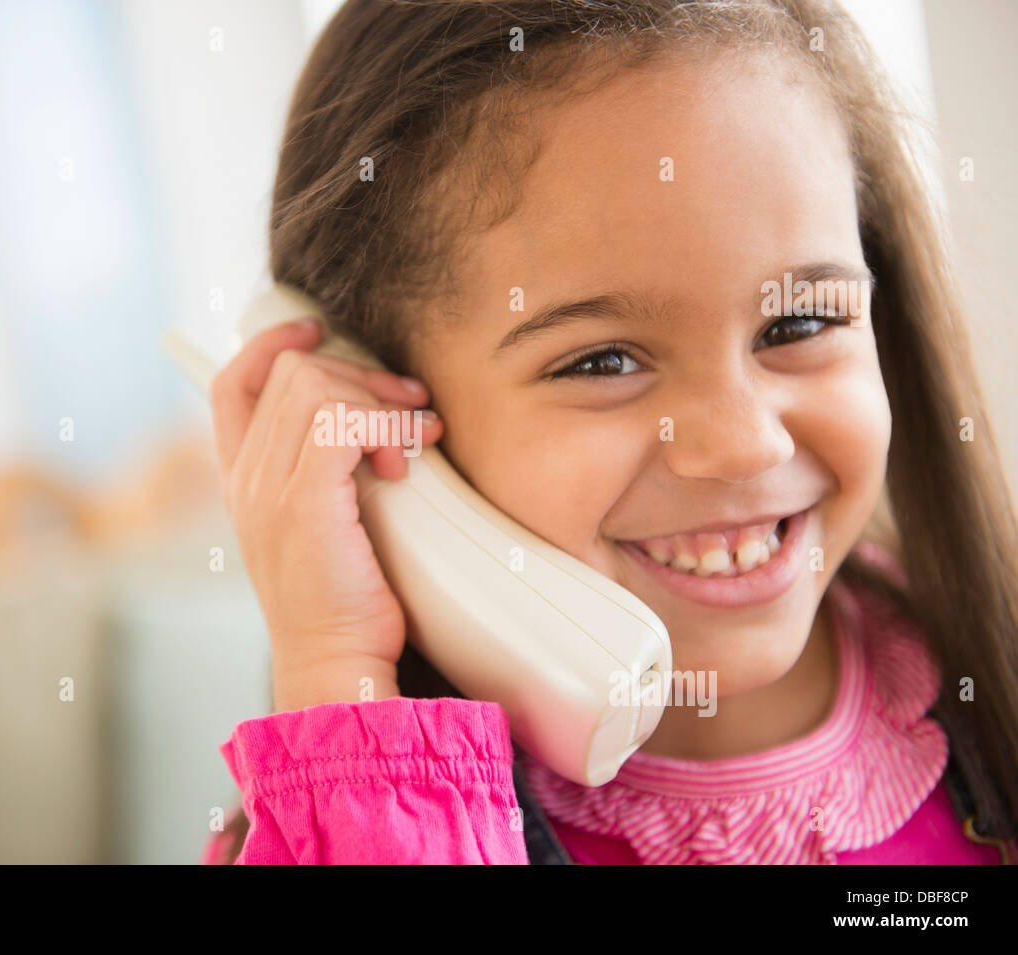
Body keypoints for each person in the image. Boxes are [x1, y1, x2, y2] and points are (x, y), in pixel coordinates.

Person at [199, 0, 1018, 864]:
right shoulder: (321, 827)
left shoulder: (984, 689)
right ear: (374, 415)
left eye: (799, 323)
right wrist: (340, 674)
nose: (745, 446)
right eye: (601, 362)